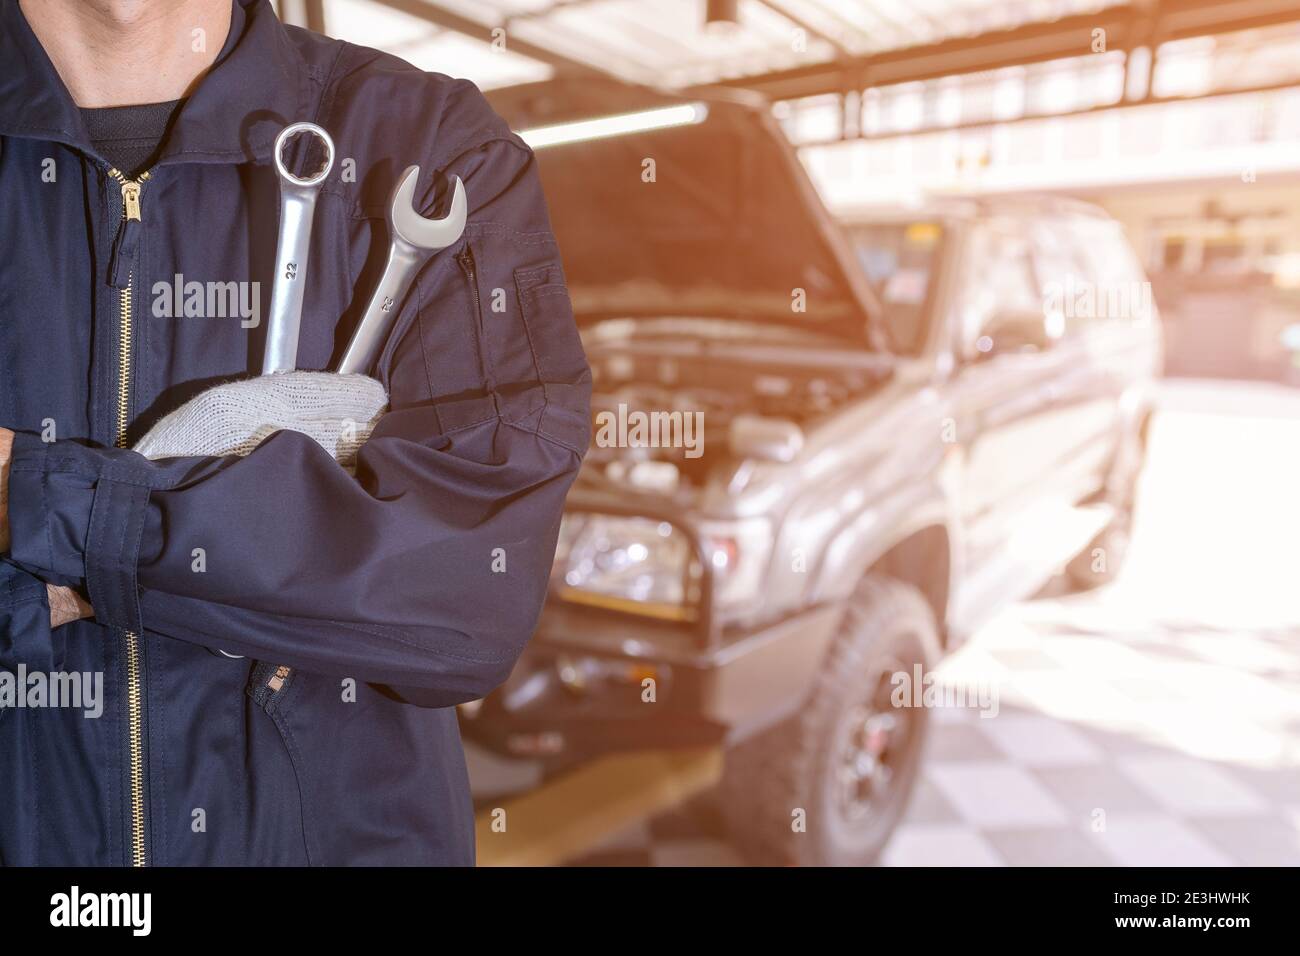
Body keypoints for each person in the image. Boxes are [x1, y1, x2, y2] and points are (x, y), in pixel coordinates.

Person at [0, 0, 590, 865]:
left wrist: (43, 509)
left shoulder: (427, 143)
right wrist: (244, 554)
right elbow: (380, 573)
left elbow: (463, 601)